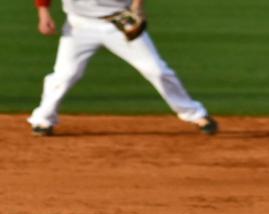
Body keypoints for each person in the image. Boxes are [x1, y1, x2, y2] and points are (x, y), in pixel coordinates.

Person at [27, 0, 217, 136]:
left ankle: (195, 114)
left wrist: (137, 6)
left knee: (156, 70)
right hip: (79, 25)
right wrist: (43, 13)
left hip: (119, 22)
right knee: (65, 74)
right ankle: (43, 119)